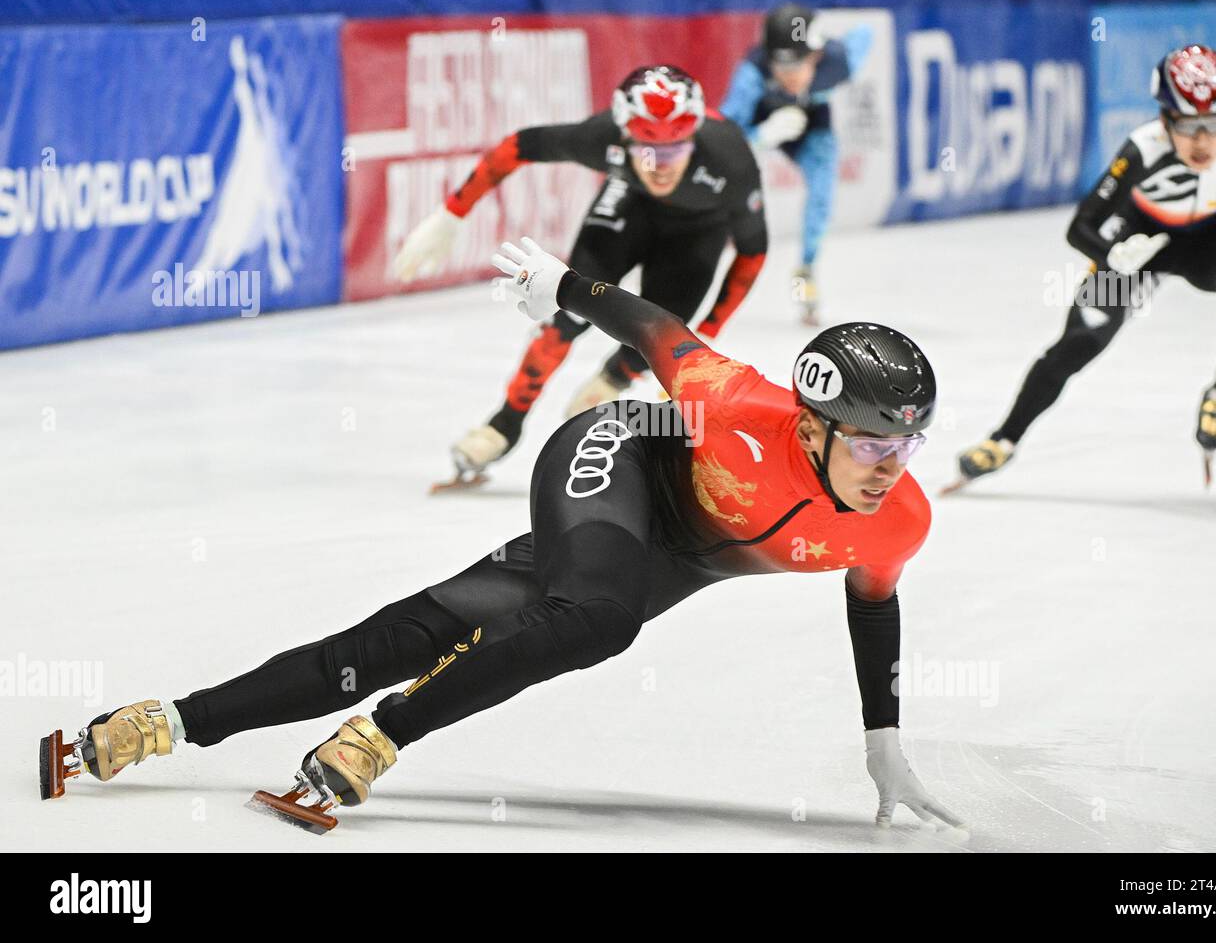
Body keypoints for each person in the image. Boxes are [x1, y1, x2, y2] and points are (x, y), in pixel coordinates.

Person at [42, 237, 964, 836]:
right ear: (813, 425)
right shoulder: (733, 403)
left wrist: (882, 741)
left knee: (414, 636)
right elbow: (653, 328)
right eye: (875, 440)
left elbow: (872, 603)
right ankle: (377, 738)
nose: (893, 463)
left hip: (664, 556)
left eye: (909, 442)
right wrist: (560, 286)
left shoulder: (902, 516)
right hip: (620, 458)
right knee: (599, 616)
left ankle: (158, 722)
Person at [394, 65, 768, 487]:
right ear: (623, 138)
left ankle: (617, 374)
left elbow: (753, 253)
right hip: (628, 205)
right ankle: (505, 424)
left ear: (694, 138)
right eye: (647, 151)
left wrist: (710, 331)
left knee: (656, 342)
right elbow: (518, 146)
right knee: (566, 311)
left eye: (674, 152)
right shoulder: (599, 136)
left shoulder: (730, 159)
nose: (661, 167)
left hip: (697, 232)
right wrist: (452, 214)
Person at [952, 45, 1216, 490]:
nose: (1201, 142)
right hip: (1138, 243)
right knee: (1080, 342)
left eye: (1213, 126)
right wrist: (1114, 256)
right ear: (1165, 120)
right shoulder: (1142, 149)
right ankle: (1003, 438)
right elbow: (1080, 227)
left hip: (1215, 239)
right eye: (1187, 127)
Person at [720, 2, 873, 325]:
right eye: (780, 68)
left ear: (816, 57)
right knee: (722, 172)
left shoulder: (839, 60)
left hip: (811, 127)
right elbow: (719, 138)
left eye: (797, 68)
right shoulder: (752, 73)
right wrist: (760, 135)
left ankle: (805, 278)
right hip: (759, 122)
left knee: (821, 193)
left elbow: (865, 34)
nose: (789, 78)